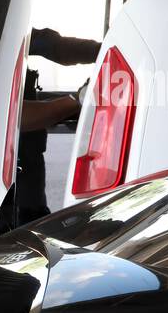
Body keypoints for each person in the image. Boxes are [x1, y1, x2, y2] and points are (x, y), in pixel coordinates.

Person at [5, 27, 102, 227]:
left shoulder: (2, 25)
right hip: (1, 201)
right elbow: (13, 116)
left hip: (27, 190)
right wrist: (78, 99)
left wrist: (104, 49)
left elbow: (54, 46)